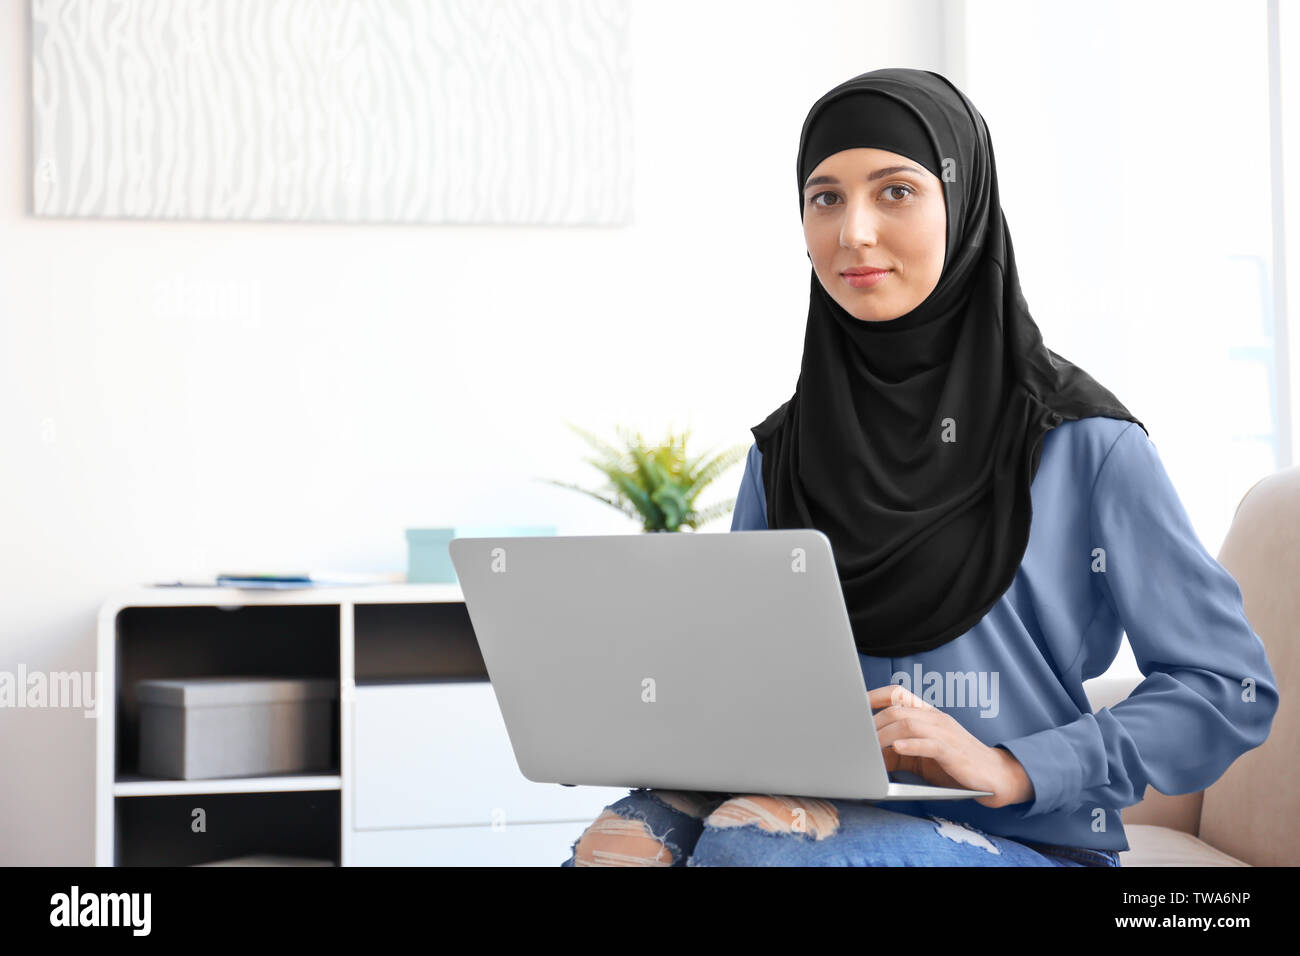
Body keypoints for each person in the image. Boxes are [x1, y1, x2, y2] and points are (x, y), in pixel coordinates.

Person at [560, 67, 1278, 867]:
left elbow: (1227, 689)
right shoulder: (783, 450)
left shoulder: (1085, 442)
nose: (852, 232)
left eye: (895, 191)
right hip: (809, 807)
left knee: (758, 849)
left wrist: (1012, 766)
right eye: (825, 197)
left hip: (1024, 839)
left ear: (962, 207)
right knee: (619, 845)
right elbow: (751, 684)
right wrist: (653, 726)